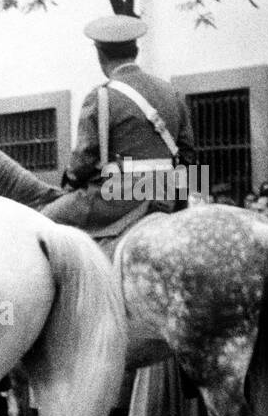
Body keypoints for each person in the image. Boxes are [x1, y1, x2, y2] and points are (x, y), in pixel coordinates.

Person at [41, 15, 196, 249]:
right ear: (136, 50)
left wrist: (70, 182)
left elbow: (84, 159)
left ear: (100, 55)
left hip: (121, 196)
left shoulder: (101, 97)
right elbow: (188, 154)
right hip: (169, 192)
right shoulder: (171, 92)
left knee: (41, 224)